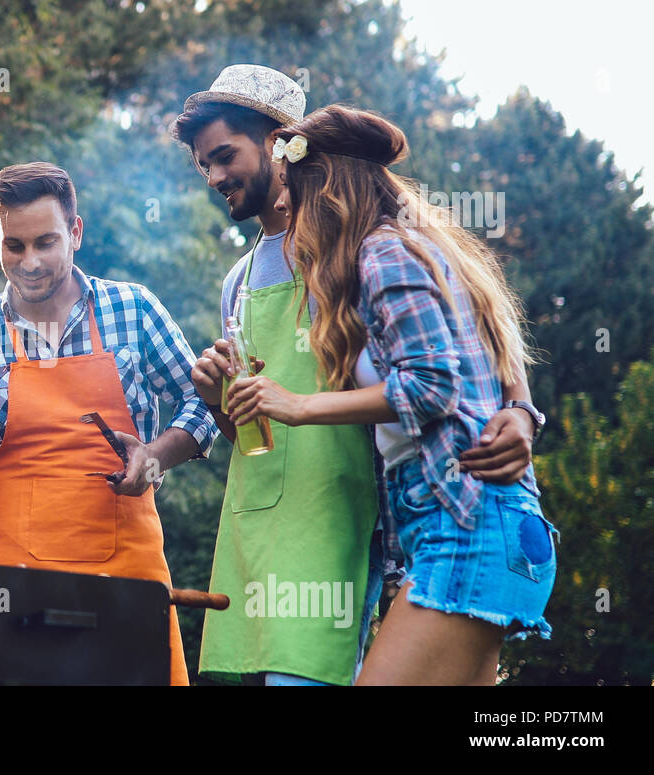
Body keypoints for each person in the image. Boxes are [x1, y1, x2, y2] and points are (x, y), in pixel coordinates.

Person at [173, 65, 540, 685]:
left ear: (285, 147)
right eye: (202, 164)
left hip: (420, 514)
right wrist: (219, 404)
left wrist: (524, 412)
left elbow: (473, 346)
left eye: (225, 155)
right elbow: (263, 435)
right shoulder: (242, 284)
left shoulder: (371, 245)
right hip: (373, 522)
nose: (214, 177)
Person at [0, 162, 220, 685]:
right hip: (13, 583)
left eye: (46, 242)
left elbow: (204, 405)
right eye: (14, 246)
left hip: (129, 576)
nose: (30, 262)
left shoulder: (134, 309)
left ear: (75, 232)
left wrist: (155, 458)